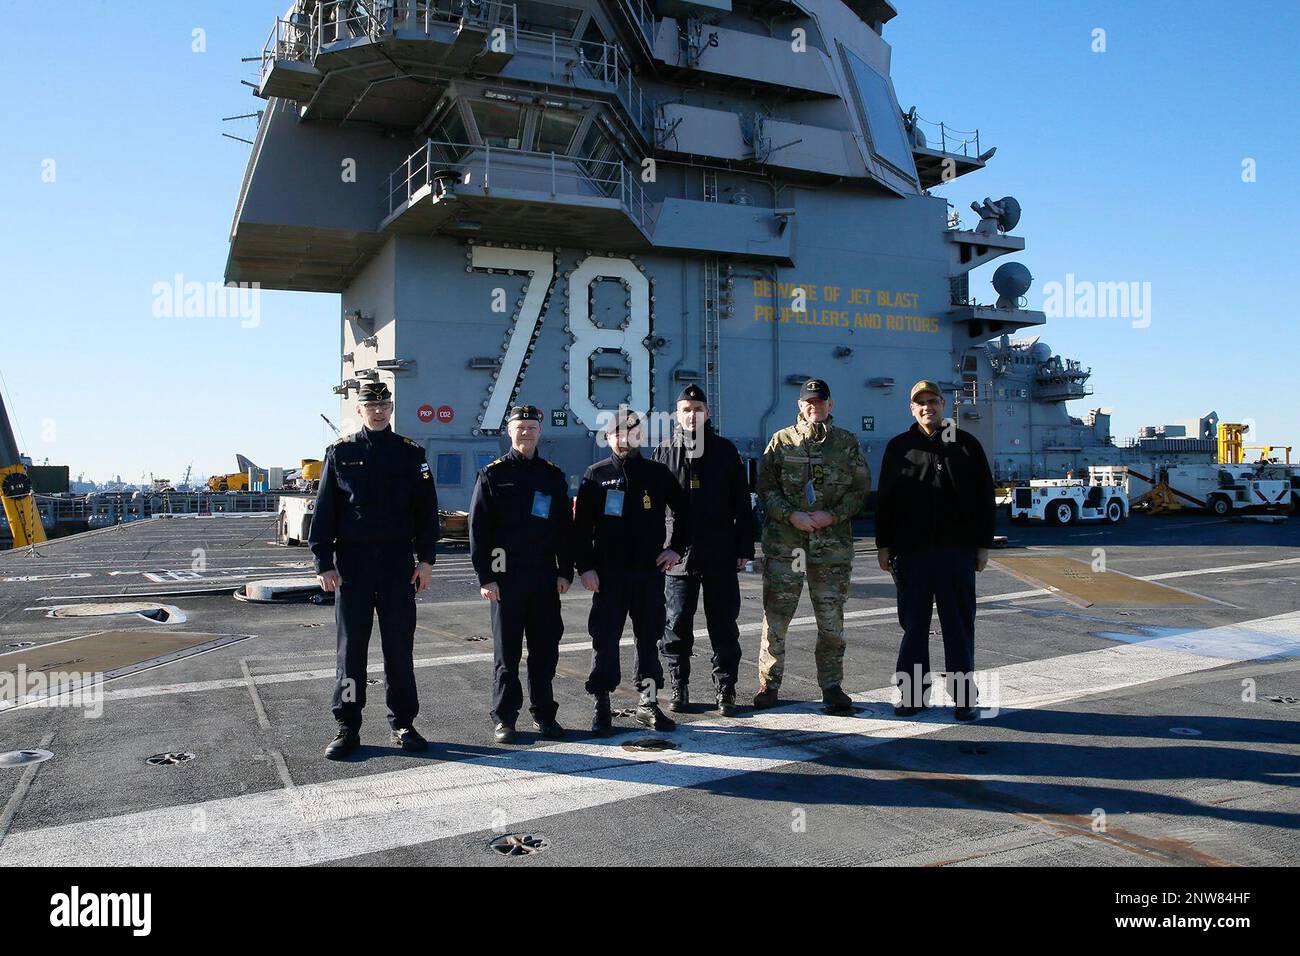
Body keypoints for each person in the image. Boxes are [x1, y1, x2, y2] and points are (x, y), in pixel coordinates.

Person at [309, 381, 439, 759]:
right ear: (361, 410)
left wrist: (426, 560)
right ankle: (347, 727)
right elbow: (326, 511)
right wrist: (323, 562)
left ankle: (403, 723)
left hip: (399, 567)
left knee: (399, 650)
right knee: (351, 653)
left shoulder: (411, 454)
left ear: (391, 408)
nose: (378, 411)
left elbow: (426, 512)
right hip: (353, 568)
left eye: (384, 405)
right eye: (371, 406)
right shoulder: (341, 453)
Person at [875, 380, 995, 720]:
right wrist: (884, 545)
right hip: (911, 553)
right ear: (912, 409)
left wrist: (982, 545)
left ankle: (963, 698)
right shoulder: (899, 447)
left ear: (944, 404)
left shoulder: (966, 444)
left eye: (933, 401)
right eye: (920, 403)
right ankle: (912, 696)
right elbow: (885, 499)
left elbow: (984, 497)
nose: (927, 407)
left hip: (956, 552)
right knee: (914, 627)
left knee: (958, 626)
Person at [755, 378, 870, 714]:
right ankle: (769, 684)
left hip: (830, 548)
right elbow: (766, 489)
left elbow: (860, 491)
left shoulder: (846, 443)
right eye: (809, 402)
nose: (814, 407)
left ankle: (832, 686)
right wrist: (791, 515)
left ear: (830, 405)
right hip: (788, 547)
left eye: (820, 402)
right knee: (776, 619)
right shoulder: (780, 441)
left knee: (831, 622)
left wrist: (832, 516)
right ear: (799, 405)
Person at [573, 408, 689, 734]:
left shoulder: (657, 473)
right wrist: (585, 568)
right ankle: (602, 705)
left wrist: (676, 547)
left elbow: (685, 511)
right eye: (618, 433)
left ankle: (648, 703)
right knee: (604, 640)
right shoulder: (595, 476)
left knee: (649, 640)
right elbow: (581, 529)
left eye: (632, 432)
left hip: (647, 574)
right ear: (608, 437)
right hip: (608, 576)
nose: (625, 439)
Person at [469, 404, 573, 744]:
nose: (526, 432)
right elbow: (478, 529)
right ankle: (505, 718)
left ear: (539, 431)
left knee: (545, 651)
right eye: (520, 427)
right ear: (509, 431)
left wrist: (565, 571)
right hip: (506, 579)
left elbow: (563, 527)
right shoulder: (493, 474)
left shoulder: (552, 475)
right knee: (507, 654)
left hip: (544, 578)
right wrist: (485, 577)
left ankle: (545, 715)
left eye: (532, 427)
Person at [652, 384, 753, 716]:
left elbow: (742, 503)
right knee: (676, 624)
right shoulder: (664, 452)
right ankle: (679, 685)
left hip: (720, 552)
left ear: (707, 413)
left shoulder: (726, 452)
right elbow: (654, 510)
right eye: (685, 409)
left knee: (723, 625)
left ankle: (726, 688)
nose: (691, 414)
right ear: (677, 415)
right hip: (676, 557)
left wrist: (744, 548)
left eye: (697, 409)